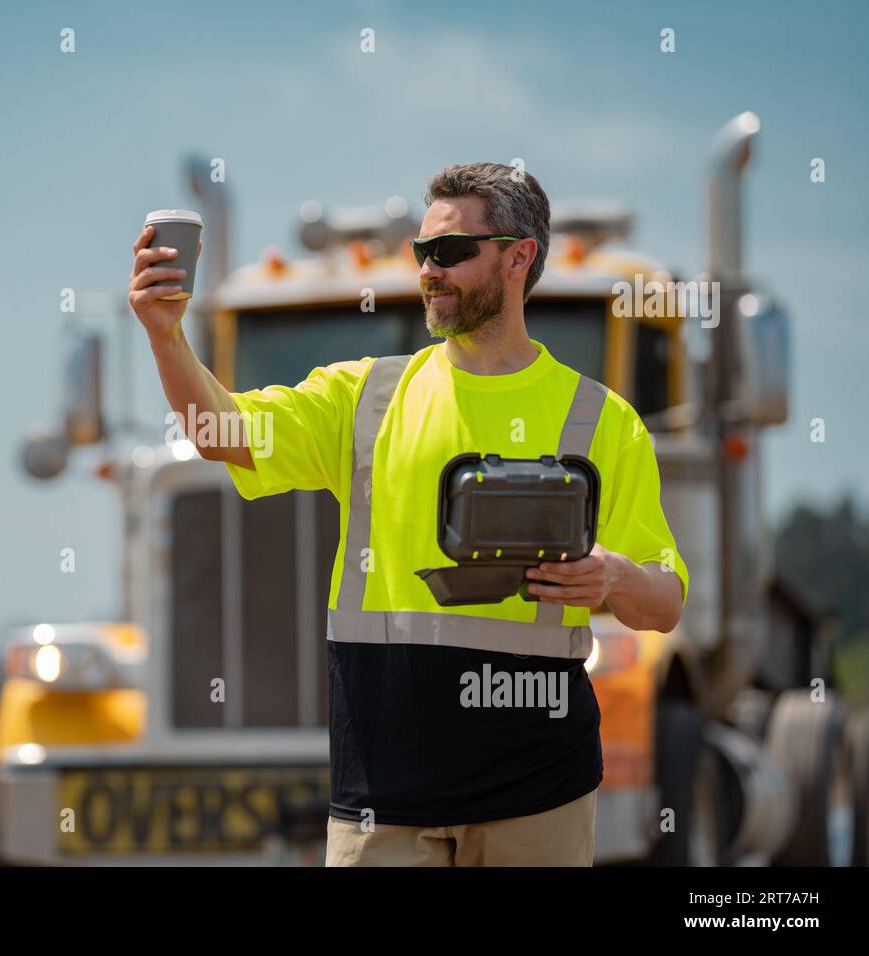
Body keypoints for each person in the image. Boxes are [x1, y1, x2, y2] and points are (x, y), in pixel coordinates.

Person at [127, 162, 688, 866]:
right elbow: (221, 434)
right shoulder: (364, 399)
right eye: (423, 252)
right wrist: (164, 336)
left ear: (520, 257)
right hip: (383, 796)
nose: (430, 269)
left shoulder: (604, 422)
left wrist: (609, 578)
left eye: (452, 252)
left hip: (538, 792)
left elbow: (664, 604)